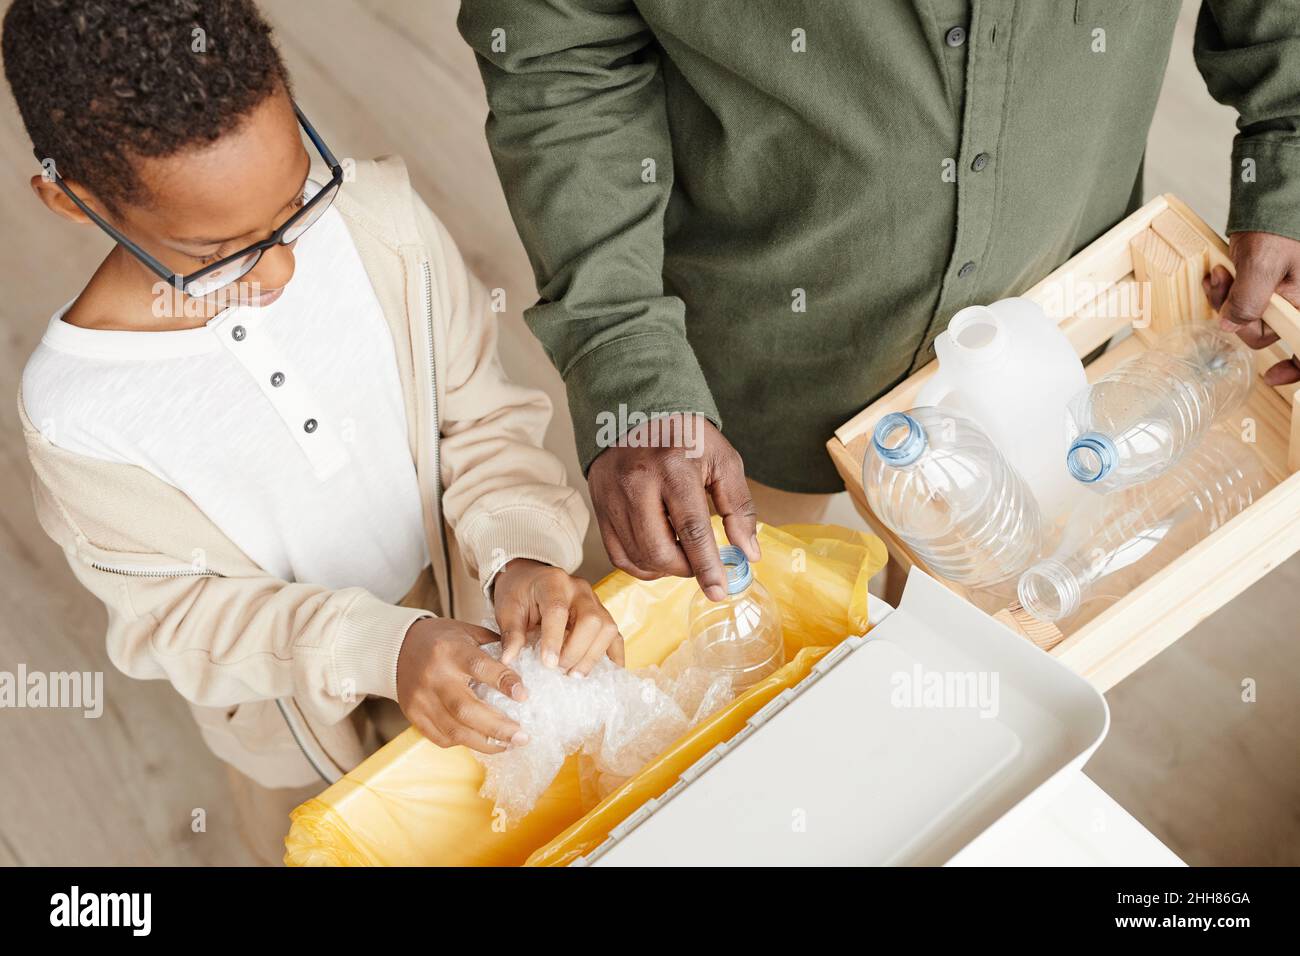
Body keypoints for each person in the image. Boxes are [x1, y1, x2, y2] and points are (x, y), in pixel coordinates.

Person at [4, 0, 621, 864]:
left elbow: (478, 415)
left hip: (487, 626)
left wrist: (521, 553)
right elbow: (180, 619)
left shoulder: (377, 220)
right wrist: (384, 647)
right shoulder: (79, 418)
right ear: (73, 200)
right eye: (222, 248)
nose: (286, 264)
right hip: (299, 740)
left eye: (297, 198)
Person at [458, 0, 1300, 597]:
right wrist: (624, 357)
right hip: (742, 358)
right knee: (704, 648)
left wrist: (1289, 165)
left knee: (970, 689)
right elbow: (559, 52)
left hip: (1054, 323)